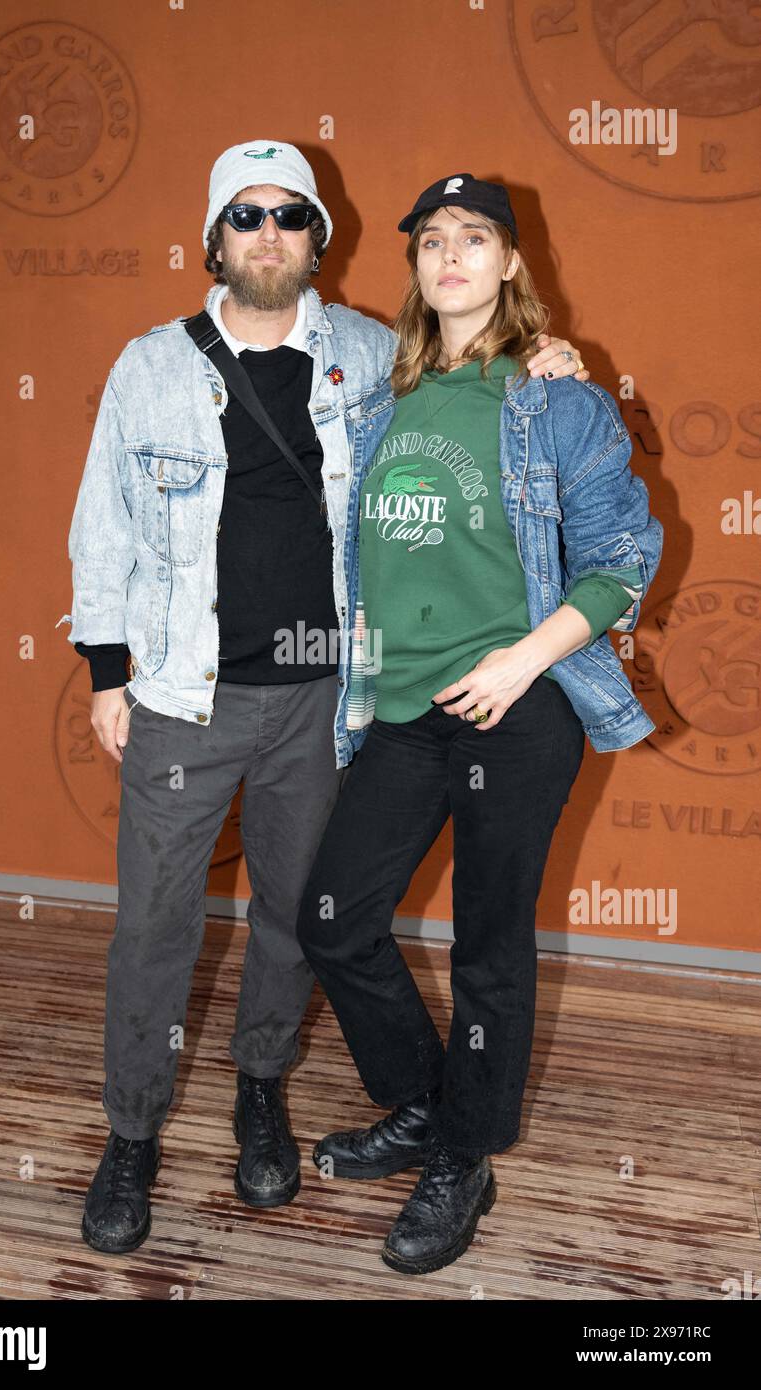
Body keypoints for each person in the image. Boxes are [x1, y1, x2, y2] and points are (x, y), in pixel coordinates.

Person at [59, 143, 588, 1254]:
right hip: (181, 691)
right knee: (153, 924)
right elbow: (100, 528)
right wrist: (107, 674)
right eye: (243, 216)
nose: (266, 234)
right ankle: (133, 1133)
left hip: (324, 694)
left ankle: (262, 1093)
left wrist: (550, 360)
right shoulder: (150, 365)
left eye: (289, 215)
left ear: (317, 239)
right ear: (214, 238)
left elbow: (476, 385)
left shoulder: (366, 353)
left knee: (298, 923)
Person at [296, 173, 664, 1276]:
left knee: (489, 950)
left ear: (509, 263)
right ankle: (424, 1100)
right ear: (411, 268)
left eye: (473, 238)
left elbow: (621, 563)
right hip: (400, 712)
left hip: (513, 711)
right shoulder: (379, 396)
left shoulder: (555, 400)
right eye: (429, 242)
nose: (448, 255)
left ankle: (462, 1155)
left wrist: (519, 660)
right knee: (330, 918)